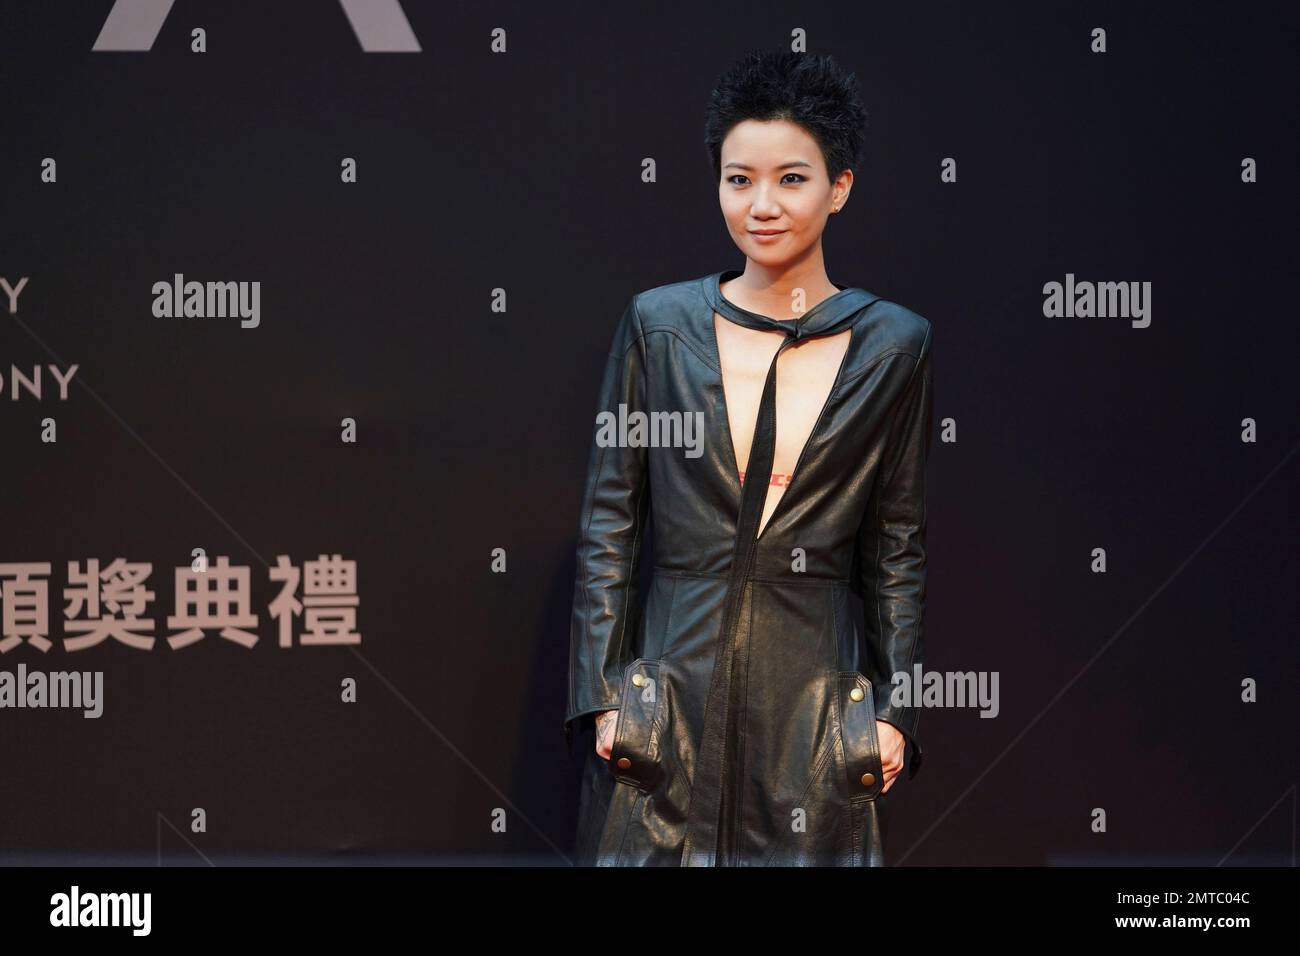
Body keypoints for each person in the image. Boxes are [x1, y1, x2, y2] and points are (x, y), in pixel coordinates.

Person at [565, 48, 934, 866]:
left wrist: (895, 710)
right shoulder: (658, 326)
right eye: (739, 179)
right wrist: (602, 697)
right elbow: (610, 523)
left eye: (791, 179)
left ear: (840, 187)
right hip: (666, 703)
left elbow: (896, 542)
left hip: (812, 712)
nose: (761, 205)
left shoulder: (895, 345)